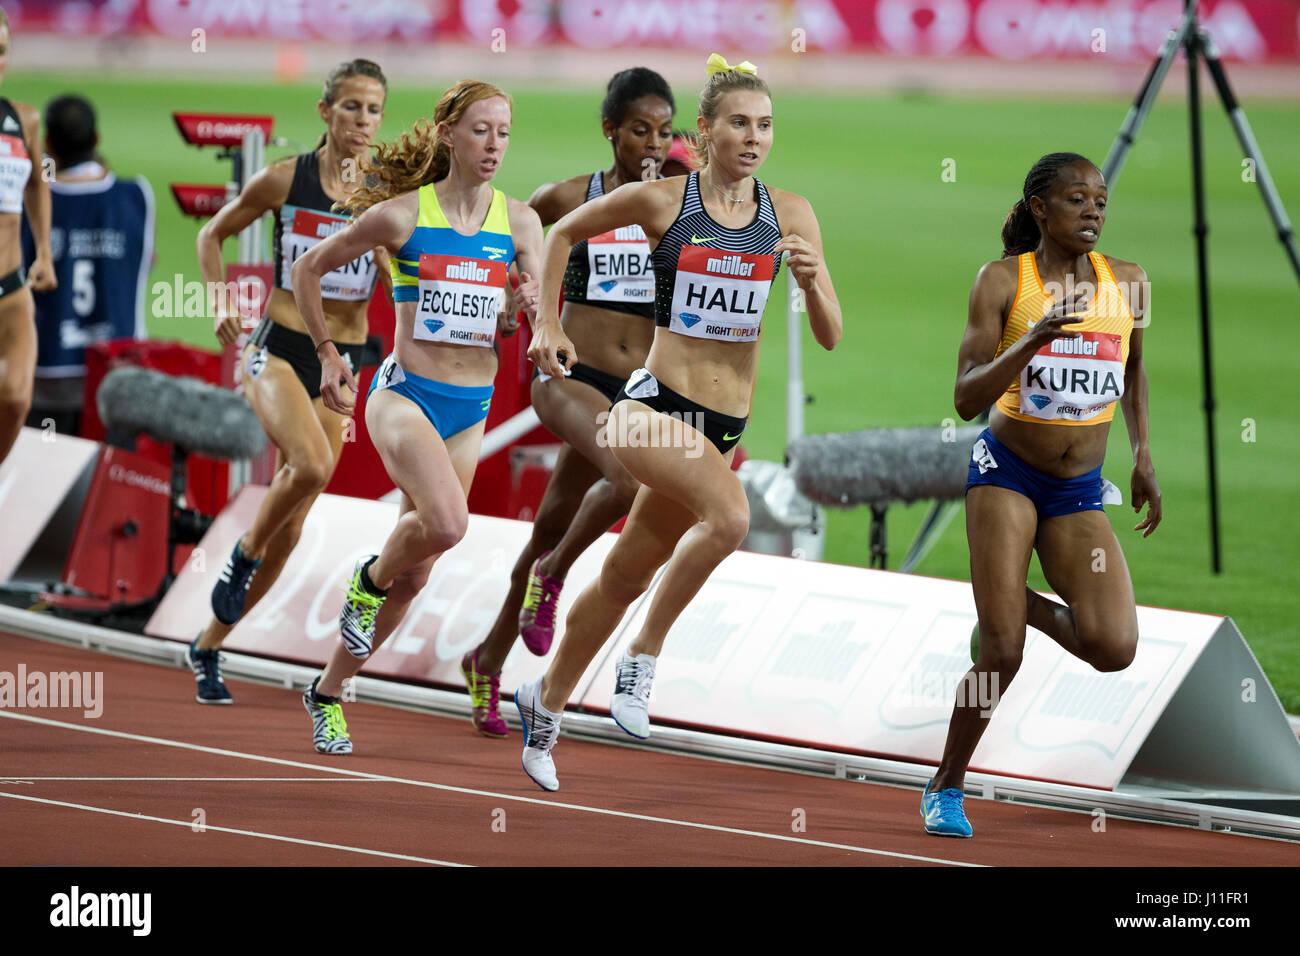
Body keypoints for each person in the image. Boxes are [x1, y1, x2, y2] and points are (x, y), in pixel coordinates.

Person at [515, 54, 842, 791]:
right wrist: (545, 323)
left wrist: (813, 283)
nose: (754, 138)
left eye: (764, 125)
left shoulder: (789, 213)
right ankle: (643, 659)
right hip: (649, 408)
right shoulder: (665, 200)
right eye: (738, 123)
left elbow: (830, 334)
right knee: (728, 517)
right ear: (705, 130)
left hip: (720, 426)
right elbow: (561, 231)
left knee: (626, 572)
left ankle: (547, 700)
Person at [291, 79, 543, 754]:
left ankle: (327, 692)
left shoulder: (520, 224)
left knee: (420, 572)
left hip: (471, 407)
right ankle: (363, 582)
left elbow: (532, 318)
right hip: (403, 397)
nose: (494, 146)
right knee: (448, 525)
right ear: (448, 135)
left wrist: (530, 314)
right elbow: (308, 270)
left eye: (504, 133)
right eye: (481, 131)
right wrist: (326, 354)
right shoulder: (401, 217)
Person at [922, 152, 1160, 837]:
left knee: (1113, 645)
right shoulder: (1003, 281)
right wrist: (1033, 339)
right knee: (1001, 652)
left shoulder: (1130, 282)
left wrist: (1143, 457)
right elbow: (966, 399)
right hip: (1008, 472)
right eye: (1077, 199)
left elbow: (1135, 369)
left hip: (1079, 487)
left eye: (1101, 201)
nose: (1093, 211)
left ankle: (1006, 599)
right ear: (1039, 209)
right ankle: (947, 785)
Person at [462, 67, 675, 739]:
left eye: (664, 131)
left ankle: (485, 657)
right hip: (567, 377)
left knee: (554, 518)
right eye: (639, 129)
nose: (651, 144)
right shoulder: (574, 197)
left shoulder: (676, 203)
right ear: (609, 129)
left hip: (637, 392)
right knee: (628, 478)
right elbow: (514, 231)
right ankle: (551, 579)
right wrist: (509, 300)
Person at [186, 59, 390, 704]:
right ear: (325, 111)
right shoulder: (284, 180)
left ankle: (209, 644)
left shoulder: (382, 195)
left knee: (296, 522)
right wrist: (221, 300)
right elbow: (212, 234)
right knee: (308, 465)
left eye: (374, 110)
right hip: (276, 347)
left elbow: (400, 269)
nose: (363, 121)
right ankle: (242, 554)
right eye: (352, 107)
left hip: (342, 358)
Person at [22, 94, 154, 436]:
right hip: (116, 376)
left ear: (48, 142)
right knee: (108, 482)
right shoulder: (137, 197)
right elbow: (143, 261)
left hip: (45, 376)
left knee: (44, 483)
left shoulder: (29, 207)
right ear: (96, 139)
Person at [0, 5, 57, 467]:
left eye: (2, 52)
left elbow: (38, 184)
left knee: (17, 400)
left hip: (12, 289)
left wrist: (44, 253)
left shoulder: (24, 120)